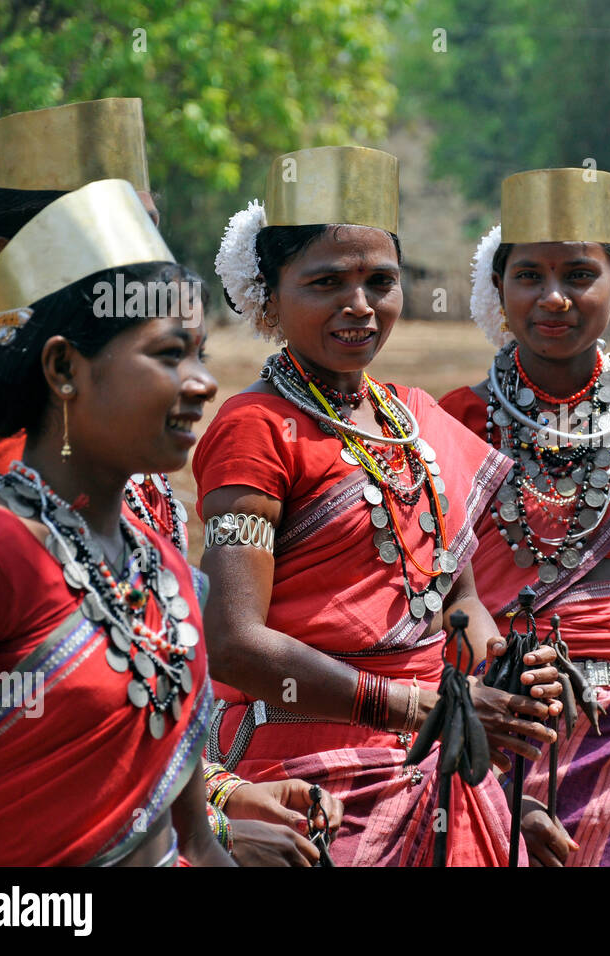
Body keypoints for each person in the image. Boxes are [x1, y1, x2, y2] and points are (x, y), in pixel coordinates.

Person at [195, 146, 563, 867]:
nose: (358, 306)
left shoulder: (417, 419)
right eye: (326, 282)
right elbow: (235, 640)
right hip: (302, 780)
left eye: (379, 282)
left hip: (439, 768)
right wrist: (409, 705)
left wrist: (506, 667)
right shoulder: (254, 429)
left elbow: (458, 602)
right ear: (268, 296)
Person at [0, 179, 227, 865]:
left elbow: (196, 842)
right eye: (168, 355)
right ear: (65, 367)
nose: (202, 383)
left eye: (201, 354)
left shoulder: (162, 570)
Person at [440, 167, 610, 866]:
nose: (553, 298)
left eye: (579, 274)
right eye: (528, 275)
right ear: (499, 290)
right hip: (502, 729)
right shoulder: (452, 424)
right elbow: (442, 607)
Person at [0, 99, 179, 527]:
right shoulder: (13, 437)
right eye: (107, 232)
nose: (145, 261)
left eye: (147, 229)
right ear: (8, 257)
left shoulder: (102, 408)